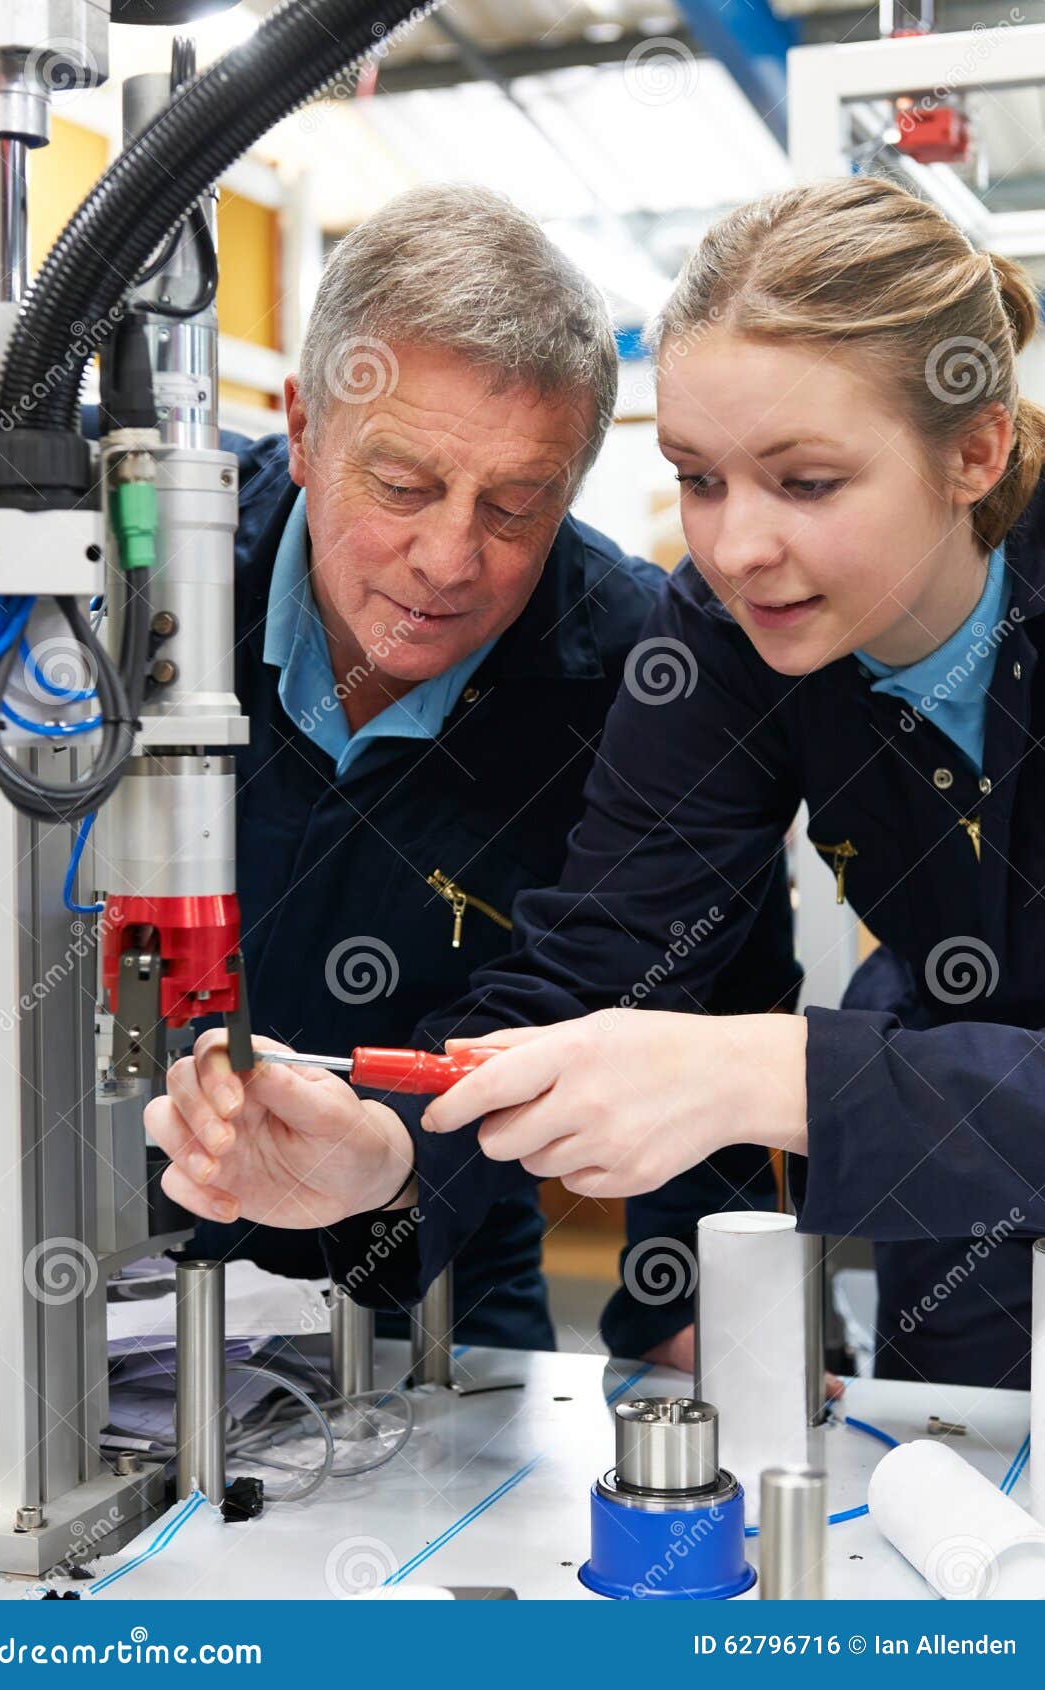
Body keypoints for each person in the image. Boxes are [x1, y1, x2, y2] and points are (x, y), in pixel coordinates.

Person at [417, 174, 1045, 1391]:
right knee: (948, 1450)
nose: (734, 544)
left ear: (974, 448)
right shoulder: (721, 632)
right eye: (697, 477)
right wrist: (386, 1140)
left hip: (920, 1075)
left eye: (803, 483)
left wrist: (774, 1074)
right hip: (936, 1075)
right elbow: (602, 961)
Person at [145, 182, 796, 1353]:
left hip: (434, 1266)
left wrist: (696, 1322)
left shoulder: (642, 675)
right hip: (94, 1239)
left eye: (513, 506)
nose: (448, 559)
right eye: (400, 487)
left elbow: (707, 1003)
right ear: (301, 428)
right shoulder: (145, 574)